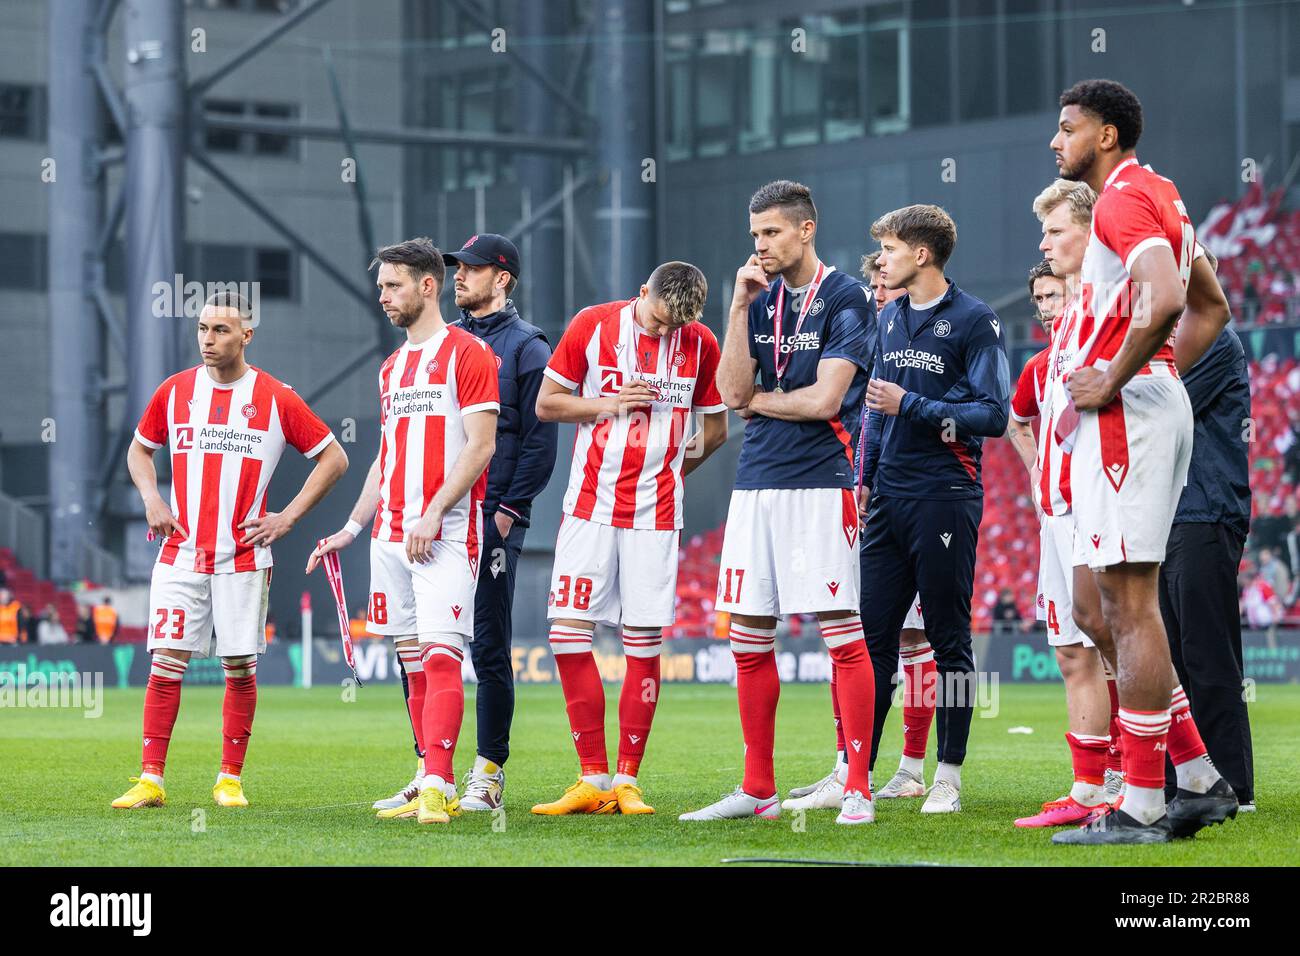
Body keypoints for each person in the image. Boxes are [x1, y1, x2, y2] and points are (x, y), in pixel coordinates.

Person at [1048, 79, 1235, 844]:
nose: (1055, 142)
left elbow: (1164, 299)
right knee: (1104, 607)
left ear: (1106, 136)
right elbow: (1211, 304)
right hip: (1143, 407)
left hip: (1127, 420)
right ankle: (1195, 779)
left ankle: (1142, 803)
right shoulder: (1161, 193)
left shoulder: (1121, 200)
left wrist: (1118, 378)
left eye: (1067, 129)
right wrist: (1156, 374)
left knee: (1129, 607)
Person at [680, 179, 878, 826]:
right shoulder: (758, 301)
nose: (759, 245)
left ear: (804, 230)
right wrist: (737, 308)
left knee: (840, 634)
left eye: (770, 232)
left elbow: (824, 401)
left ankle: (856, 786)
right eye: (754, 234)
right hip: (756, 482)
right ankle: (758, 788)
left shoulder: (846, 297)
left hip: (820, 481)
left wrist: (759, 403)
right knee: (747, 634)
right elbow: (732, 389)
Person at [113, 290, 349, 811]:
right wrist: (153, 498)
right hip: (179, 552)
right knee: (165, 662)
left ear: (247, 335)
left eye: (220, 330)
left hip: (242, 558)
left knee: (239, 666)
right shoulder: (174, 392)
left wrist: (287, 516)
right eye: (202, 329)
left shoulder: (275, 397)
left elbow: (334, 457)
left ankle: (229, 778)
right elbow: (138, 450)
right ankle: (151, 778)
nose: (208, 339)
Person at [309, 238, 498, 826]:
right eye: (381, 285)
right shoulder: (392, 368)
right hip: (389, 534)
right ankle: (425, 776)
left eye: (393, 285)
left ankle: (442, 782)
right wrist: (350, 525)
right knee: (411, 659)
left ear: (427, 286)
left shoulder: (468, 354)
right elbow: (384, 458)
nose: (383, 296)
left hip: (446, 529)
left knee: (442, 655)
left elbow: (482, 445)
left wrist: (436, 510)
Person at [531, 260, 728, 816]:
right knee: (568, 637)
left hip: (656, 516)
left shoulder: (701, 342)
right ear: (642, 293)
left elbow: (714, 427)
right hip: (589, 509)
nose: (667, 333)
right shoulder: (593, 324)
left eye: (677, 327)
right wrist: (607, 405)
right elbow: (547, 404)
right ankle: (591, 777)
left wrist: (671, 468)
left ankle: (627, 779)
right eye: (660, 321)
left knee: (642, 646)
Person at [858, 204, 1010, 815]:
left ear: (921, 254)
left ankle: (946, 773)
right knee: (870, 640)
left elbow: (992, 415)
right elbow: (874, 408)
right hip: (888, 496)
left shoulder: (976, 321)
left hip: (945, 496)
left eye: (890, 249)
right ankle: (856, 774)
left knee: (948, 639)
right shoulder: (890, 317)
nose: (882, 260)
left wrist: (911, 406)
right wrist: (865, 478)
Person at [785, 251, 932, 811]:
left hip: (912, 499)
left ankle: (913, 767)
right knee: (850, 632)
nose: (875, 288)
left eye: (884, 279)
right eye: (871, 280)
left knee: (914, 639)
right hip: (857, 494)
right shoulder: (868, 340)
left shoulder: (923, 347)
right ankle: (847, 765)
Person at [1005, 185, 1126, 830]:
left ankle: (1137, 777)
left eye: (1055, 289)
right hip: (1055, 513)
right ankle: (1088, 787)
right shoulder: (1045, 359)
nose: (1049, 303)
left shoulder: (1109, 316)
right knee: (1075, 649)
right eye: (1041, 297)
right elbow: (1019, 421)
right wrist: (1034, 474)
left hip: (1095, 510)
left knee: (1112, 636)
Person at [1159, 248, 1254, 807]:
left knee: (1207, 652)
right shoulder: (1180, 343)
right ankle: (1187, 780)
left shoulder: (1214, 341)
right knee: (1176, 652)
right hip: (1176, 512)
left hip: (1206, 508)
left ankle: (1234, 785)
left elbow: (1166, 403)